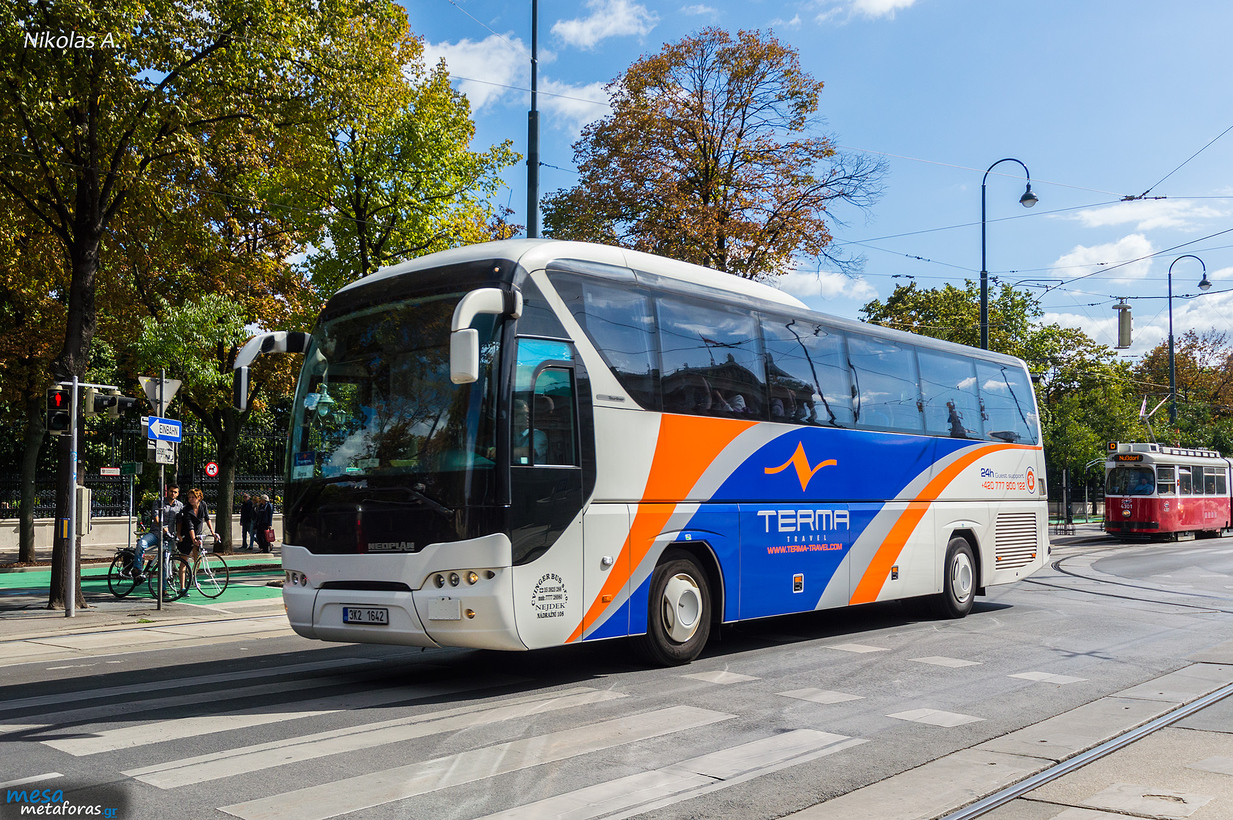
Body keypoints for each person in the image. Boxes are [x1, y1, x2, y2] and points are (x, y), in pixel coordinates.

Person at [130, 484, 182, 582]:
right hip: (155, 533)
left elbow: (179, 521)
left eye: (175, 492)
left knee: (165, 562)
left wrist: (178, 534)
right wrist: (162, 527)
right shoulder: (159, 502)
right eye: (171, 491)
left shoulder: (179, 505)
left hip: (168, 537)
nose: (173, 494)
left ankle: (164, 589)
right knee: (141, 544)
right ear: (167, 491)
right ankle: (137, 568)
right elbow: (155, 518)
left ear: (178, 494)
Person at [177, 487, 215, 561]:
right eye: (189, 497)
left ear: (199, 498)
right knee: (184, 560)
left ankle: (193, 572)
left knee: (198, 559)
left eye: (193, 497)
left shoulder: (203, 505)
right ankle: (183, 572)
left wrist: (212, 532)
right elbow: (189, 525)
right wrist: (193, 539)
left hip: (197, 534)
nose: (190, 499)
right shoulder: (187, 509)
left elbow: (207, 518)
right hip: (187, 536)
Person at [513, 399, 548, 463]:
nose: (526, 417)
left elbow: (527, 452)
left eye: (527, 414)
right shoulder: (507, 435)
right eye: (521, 414)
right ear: (513, 417)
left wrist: (499, 452)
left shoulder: (538, 435)